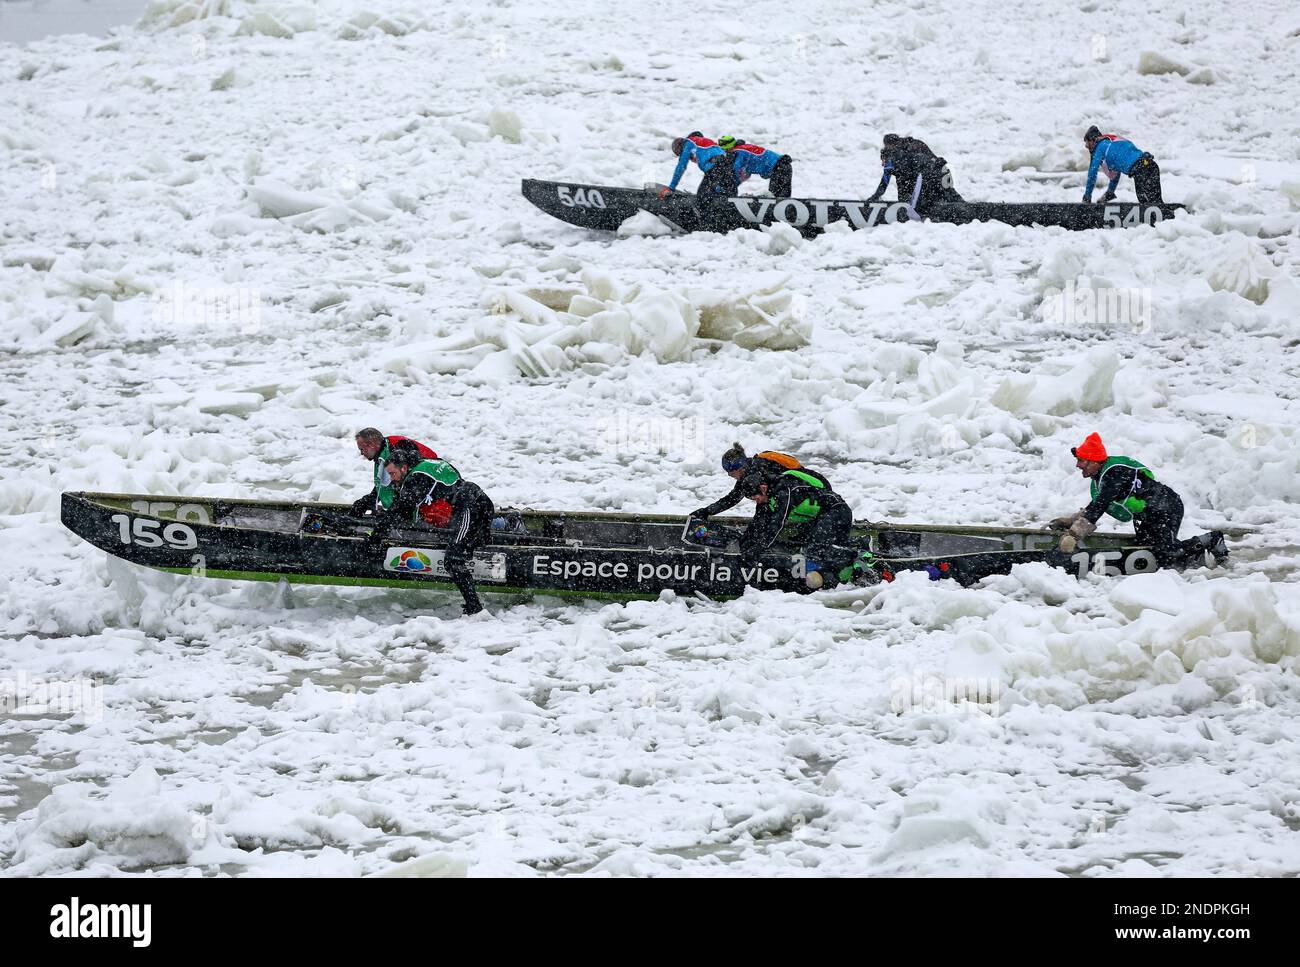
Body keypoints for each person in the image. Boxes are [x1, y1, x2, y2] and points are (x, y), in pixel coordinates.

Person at [1048, 432, 1227, 567]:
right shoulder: (1101, 476)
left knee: (1164, 555)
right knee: (1147, 548)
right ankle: (1195, 557)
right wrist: (1071, 521)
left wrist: (1073, 536)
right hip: (1147, 513)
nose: (1077, 465)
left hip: (1166, 508)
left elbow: (1101, 505)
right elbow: (1097, 504)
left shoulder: (1114, 473)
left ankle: (1211, 539)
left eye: (1081, 461)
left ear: (1094, 461)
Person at [373, 449, 496, 615]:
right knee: (474, 542)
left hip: (471, 507)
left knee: (453, 560)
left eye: (393, 473)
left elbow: (400, 509)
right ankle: (507, 523)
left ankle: (475, 609)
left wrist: (375, 537)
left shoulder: (416, 477)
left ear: (404, 468)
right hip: (475, 501)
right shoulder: (427, 464)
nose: (392, 478)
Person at [737, 465, 857, 589]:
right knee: (806, 548)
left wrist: (757, 549)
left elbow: (777, 524)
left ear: (763, 488)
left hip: (836, 511)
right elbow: (757, 522)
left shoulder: (784, 491)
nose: (757, 501)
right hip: (818, 519)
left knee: (816, 549)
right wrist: (745, 544)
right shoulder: (767, 497)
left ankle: (856, 556)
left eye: (756, 498)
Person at [691, 444, 826, 522]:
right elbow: (732, 499)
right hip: (809, 490)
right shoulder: (750, 471)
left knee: (768, 512)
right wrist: (706, 511)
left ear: (739, 469)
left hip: (817, 489)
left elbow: (764, 505)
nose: (730, 476)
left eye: (730, 473)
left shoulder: (760, 472)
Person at [351, 428, 441, 519]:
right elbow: (384, 485)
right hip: (418, 488)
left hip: (433, 487)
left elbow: (409, 490)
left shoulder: (398, 448)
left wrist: (392, 515)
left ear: (371, 444)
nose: (361, 453)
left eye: (362, 449)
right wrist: (366, 502)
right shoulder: (382, 453)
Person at [867, 133, 964, 211]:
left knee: (931, 196)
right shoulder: (904, 150)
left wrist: (875, 197)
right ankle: (961, 207)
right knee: (945, 193)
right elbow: (887, 180)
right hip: (933, 172)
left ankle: (934, 208)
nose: (883, 164)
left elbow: (886, 181)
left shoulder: (901, 154)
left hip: (929, 174)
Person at [1082, 126, 1163, 204]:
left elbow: (1092, 174)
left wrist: (1087, 197)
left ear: (1094, 139)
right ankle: (1164, 210)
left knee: (1146, 205)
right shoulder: (1113, 140)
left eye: (1087, 142)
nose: (1086, 146)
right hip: (1150, 164)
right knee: (1156, 202)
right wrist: (1110, 192)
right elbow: (1115, 172)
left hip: (1140, 170)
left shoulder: (1099, 149)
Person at [667, 132, 737, 198]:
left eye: (680, 154)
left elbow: (681, 167)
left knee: (701, 197)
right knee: (724, 192)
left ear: (680, 147)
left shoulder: (688, 144)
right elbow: (716, 178)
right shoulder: (704, 145)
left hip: (716, 165)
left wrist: (671, 188)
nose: (690, 159)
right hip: (728, 164)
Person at [721, 136, 794, 198]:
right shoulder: (743, 149)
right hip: (781, 167)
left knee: (778, 197)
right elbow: (743, 174)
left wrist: (726, 190)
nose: (727, 155)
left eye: (726, 151)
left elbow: (735, 171)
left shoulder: (739, 151)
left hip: (780, 167)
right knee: (777, 196)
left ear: (729, 148)